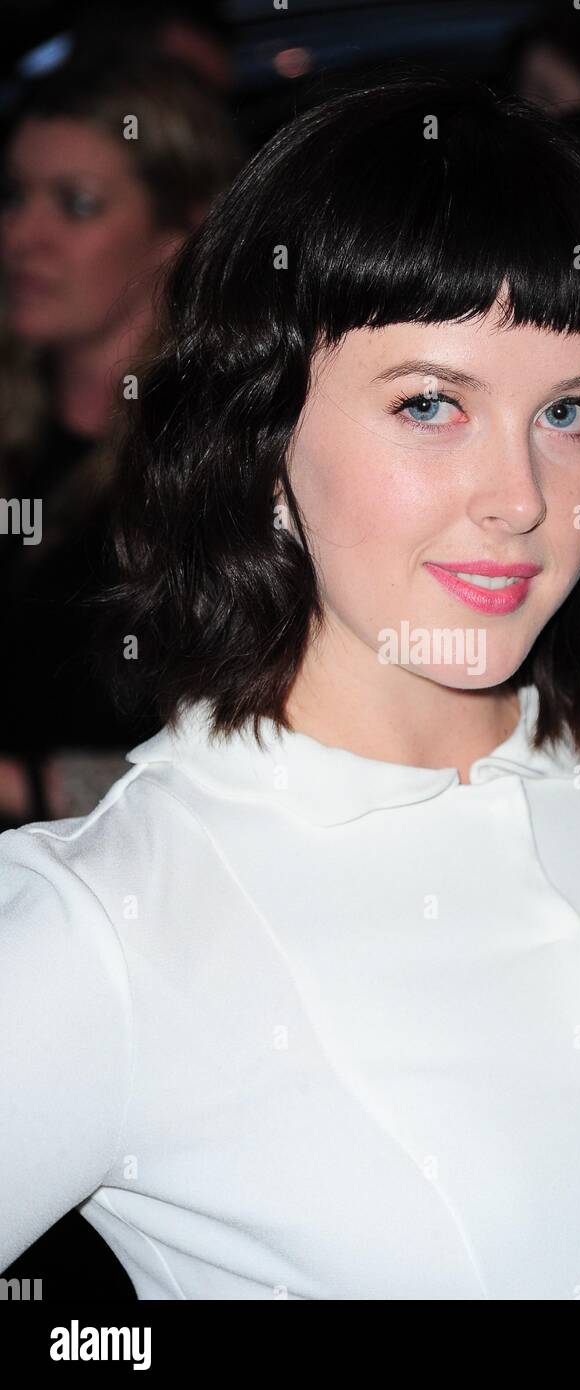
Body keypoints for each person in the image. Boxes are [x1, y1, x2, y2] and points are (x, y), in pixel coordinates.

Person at [0, 71, 580, 1300]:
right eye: (430, 403)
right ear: (261, 434)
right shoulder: (106, 926)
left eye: (569, 411)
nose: (520, 495)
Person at [0, 55, 245, 828]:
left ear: (179, 234)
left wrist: (20, 789)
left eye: (75, 205)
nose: (22, 236)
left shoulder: (217, 464)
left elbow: (249, 773)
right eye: (13, 197)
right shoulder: (21, 420)